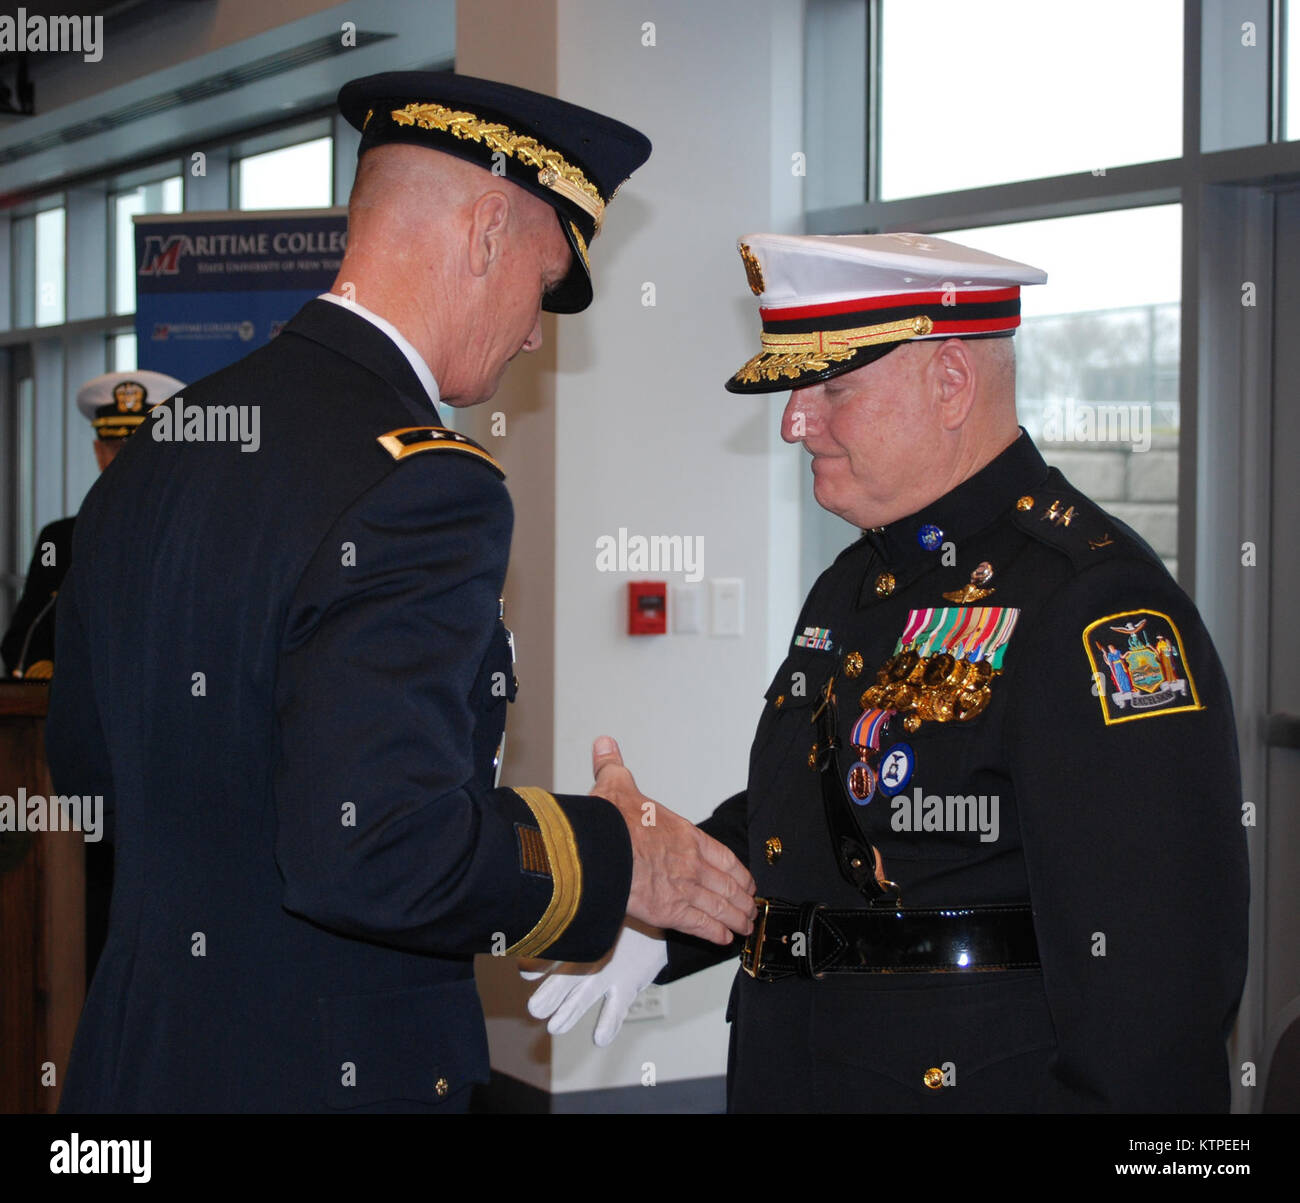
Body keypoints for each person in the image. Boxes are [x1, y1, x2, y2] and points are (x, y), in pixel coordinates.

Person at [45, 71, 754, 1114]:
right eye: (542, 284)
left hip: (137, 1059)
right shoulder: (423, 484)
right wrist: (616, 860)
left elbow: (87, 768)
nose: (530, 334)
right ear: (483, 233)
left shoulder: (166, 444)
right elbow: (376, 847)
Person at [525, 232, 1250, 1112]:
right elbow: (823, 818)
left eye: (831, 387)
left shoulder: (1092, 606)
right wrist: (664, 908)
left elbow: (1156, 997)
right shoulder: (859, 581)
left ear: (951, 383)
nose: (795, 421)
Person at [1, 369, 183, 680]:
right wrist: (50, 678)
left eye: (141, 446)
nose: (129, 460)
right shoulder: (59, 541)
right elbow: (23, 638)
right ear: (99, 453)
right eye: (117, 448)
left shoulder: (193, 536)